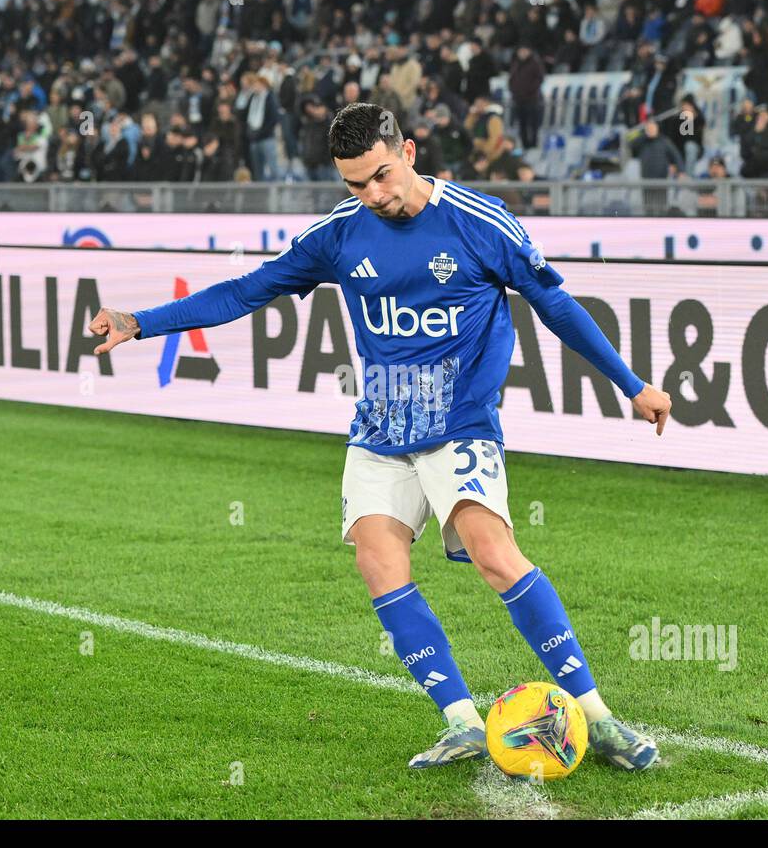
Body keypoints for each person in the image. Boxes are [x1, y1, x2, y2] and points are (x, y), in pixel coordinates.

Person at [86, 103, 670, 771]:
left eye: (381, 177)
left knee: (492, 553)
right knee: (377, 563)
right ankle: (461, 723)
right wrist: (141, 321)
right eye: (356, 185)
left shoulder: (480, 222)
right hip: (379, 429)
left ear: (410, 152)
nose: (373, 195)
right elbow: (248, 291)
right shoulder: (340, 235)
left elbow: (557, 306)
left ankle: (601, 720)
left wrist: (632, 384)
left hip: (461, 424)